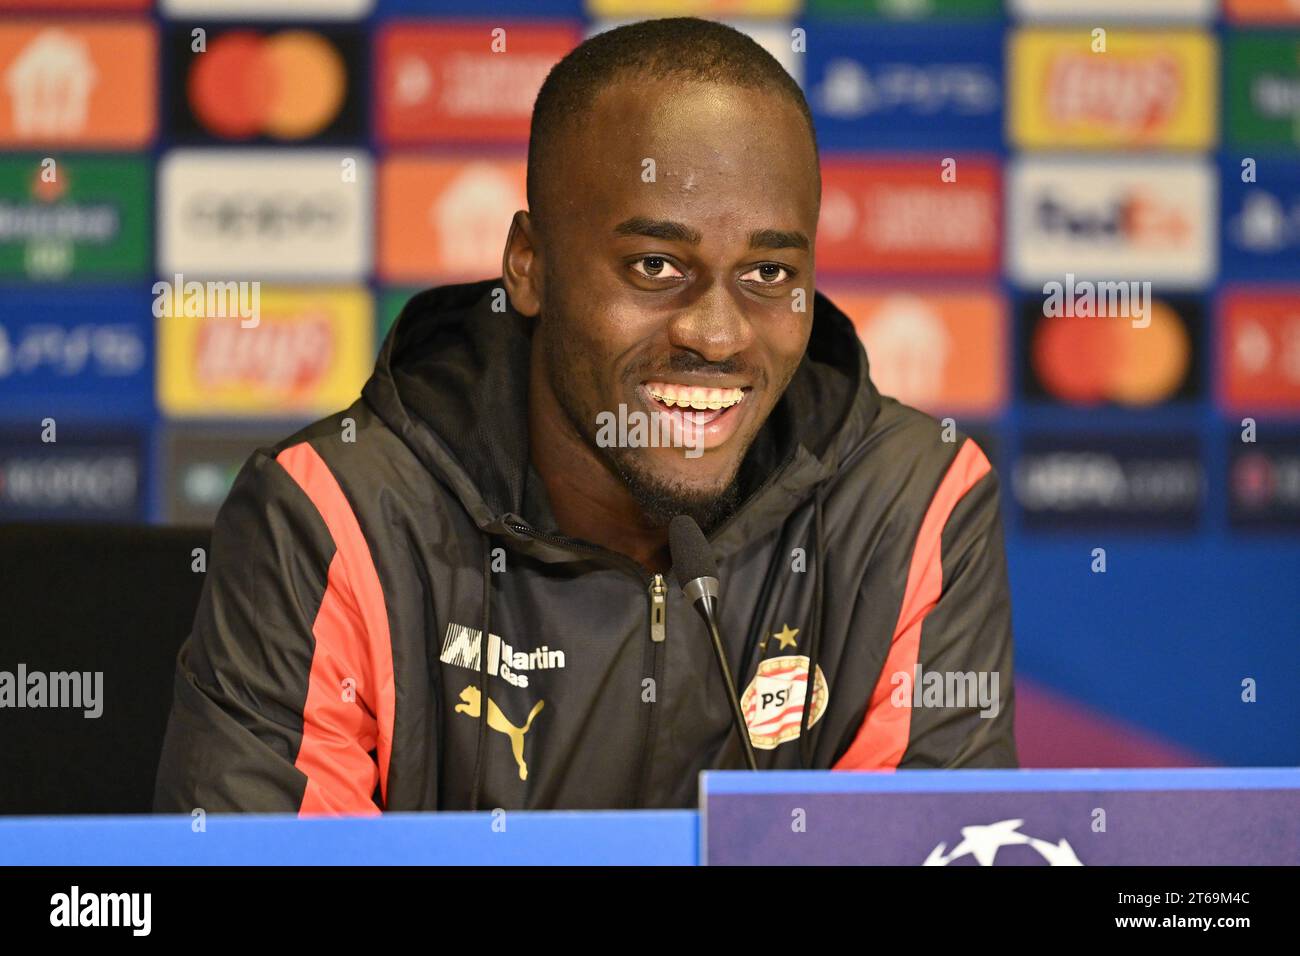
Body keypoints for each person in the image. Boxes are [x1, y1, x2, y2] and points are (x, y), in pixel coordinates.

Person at [154, 17, 1016, 815]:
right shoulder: (332, 519)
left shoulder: (912, 507)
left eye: (768, 276)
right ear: (528, 265)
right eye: (654, 264)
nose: (717, 336)